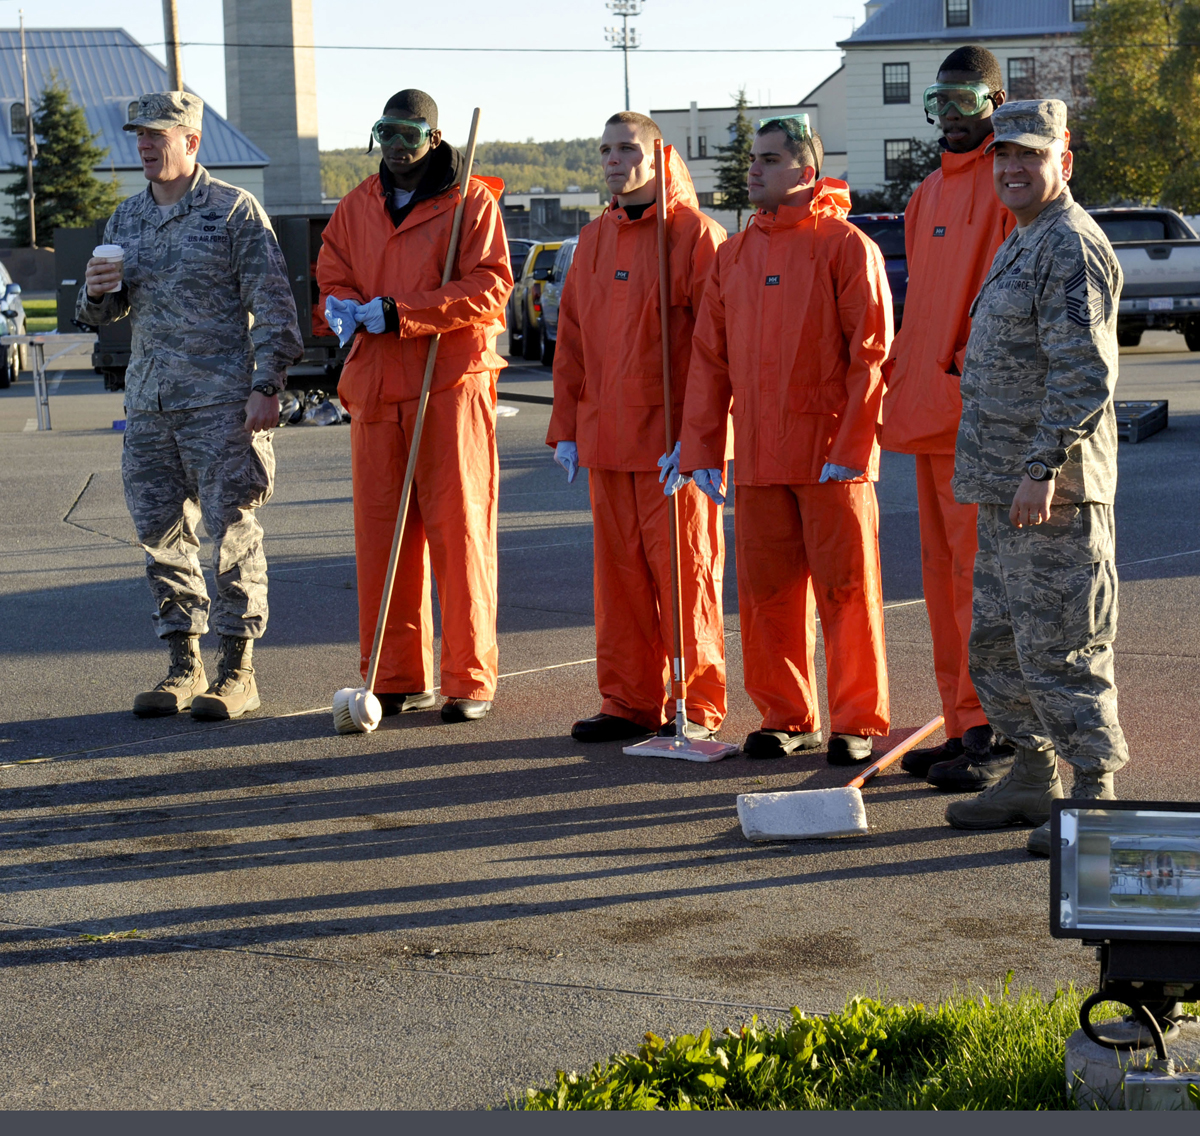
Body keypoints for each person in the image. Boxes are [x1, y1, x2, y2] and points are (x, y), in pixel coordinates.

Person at [77, 92, 302, 721]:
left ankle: (237, 671)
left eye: (158, 134)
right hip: (149, 407)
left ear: (192, 141)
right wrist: (97, 296)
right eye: (139, 135)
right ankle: (183, 665)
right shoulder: (126, 219)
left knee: (230, 534)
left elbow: (275, 304)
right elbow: (101, 314)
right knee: (162, 538)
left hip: (223, 406)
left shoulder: (233, 211)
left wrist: (268, 385)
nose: (146, 145)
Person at [944, 100, 1128, 856]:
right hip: (1005, 489)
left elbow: (1086, 371)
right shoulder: (1022, 239)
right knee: (1000, 642)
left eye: (1031, 156)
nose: (1013, 168)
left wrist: (1040, 465)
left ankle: (1094, 798)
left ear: (1064, 162)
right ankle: (1031, 774)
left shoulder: (1071, 244)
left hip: (1052, 490)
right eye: (1003, 157)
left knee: (1065, 646)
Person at [676, 116, 892, 762]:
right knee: (767, 597)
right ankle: (787, 715)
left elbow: (872, 355)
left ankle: (858, 721)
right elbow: (708, 362)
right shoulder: (733, 256)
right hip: (761, 460)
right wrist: (702, 451)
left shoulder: (846, 247)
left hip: (830, 458)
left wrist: (853, 448)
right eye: (752, 159)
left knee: (848, 592)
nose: (753, 169)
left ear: (804, 173)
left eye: (768, 160)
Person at [317, 89, 512, 722]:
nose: (398, 149)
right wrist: (341, 308)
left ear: (433, 138)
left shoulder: (470, 203)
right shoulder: (356, 206)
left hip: (448, 384)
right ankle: (397, 674)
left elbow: (490, 286)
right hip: (376, 388)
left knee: (459, 533)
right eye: (387, 134)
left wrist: (406, 312)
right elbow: (332, 273)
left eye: (411, 136)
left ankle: (469, 678)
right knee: (383, 539)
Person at [546, 111, 729, 743]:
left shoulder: (694, 235)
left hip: (671, 447)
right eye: (605, 150)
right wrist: (566, 426)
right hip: (606, 441)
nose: (614, 160)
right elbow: (570, 340)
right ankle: (628, 700)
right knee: (618, 579)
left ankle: (696, 703)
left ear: (658, 155)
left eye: (627, 148)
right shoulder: (593, 239)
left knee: (686, 574)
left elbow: (717, 346)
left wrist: (702, 438)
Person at [882, 46, 1018, 792]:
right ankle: (962, 722)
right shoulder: (927, 193)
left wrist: (965, 375)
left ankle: (996, 730)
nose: (952, 119)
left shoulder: (1009, 183)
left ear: (996, 103)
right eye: (941, 103)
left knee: (982, 582)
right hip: (926, 413)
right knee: (941, 583)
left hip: (975, 419)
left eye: (966, 102)